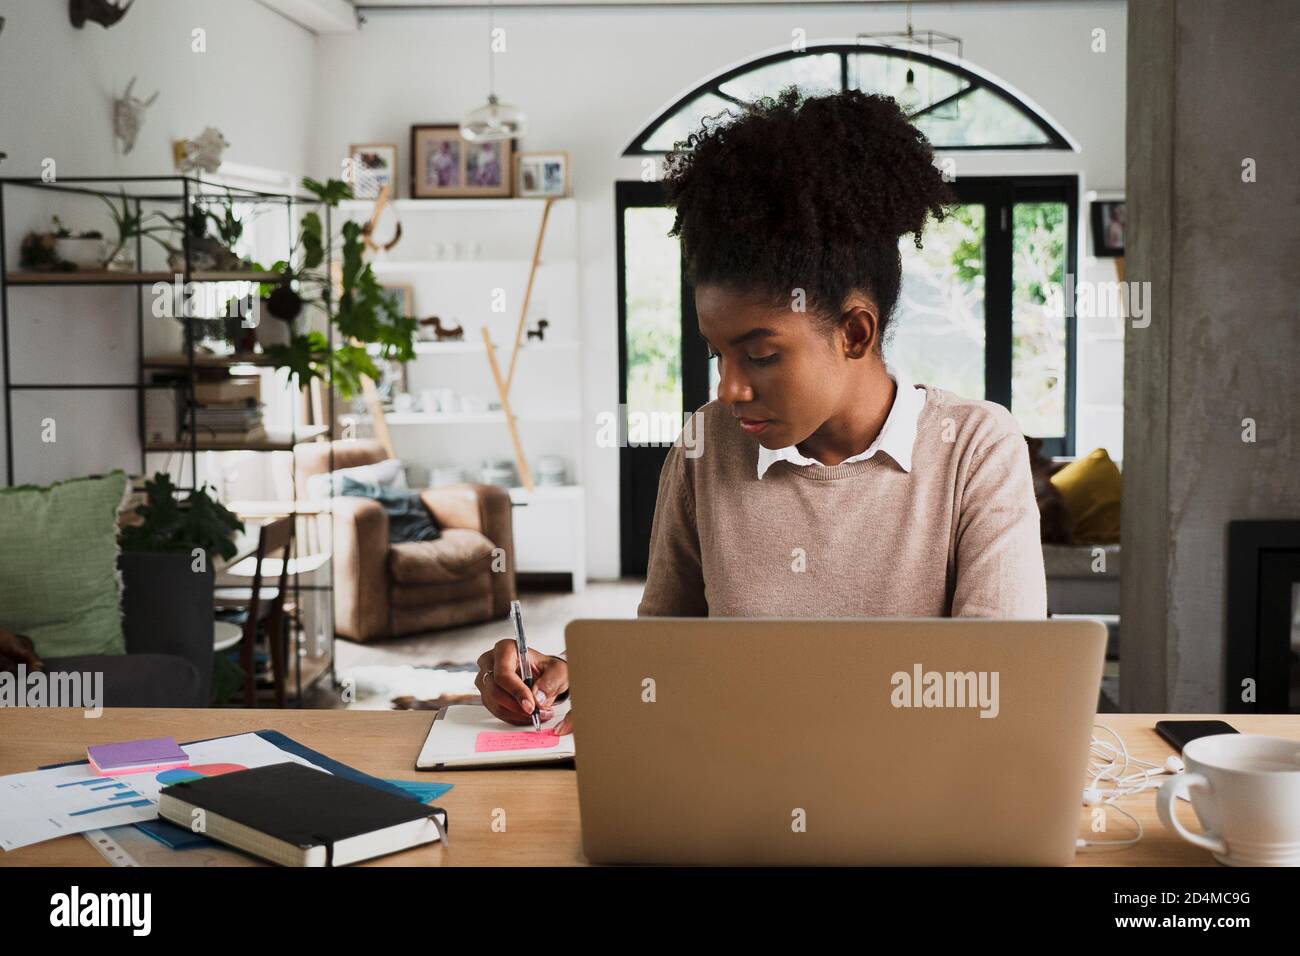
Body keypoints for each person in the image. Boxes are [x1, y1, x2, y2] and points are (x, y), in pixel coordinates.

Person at [475, 87, 1047, 735]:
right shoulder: (705, 445)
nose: (730, 390)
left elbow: (995, 692)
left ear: (855, 334)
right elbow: (666, 652)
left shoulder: (975, 448)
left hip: (915, 812)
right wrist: (582, 672)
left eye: (761, 355)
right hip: (731, 806)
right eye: (719, 354)